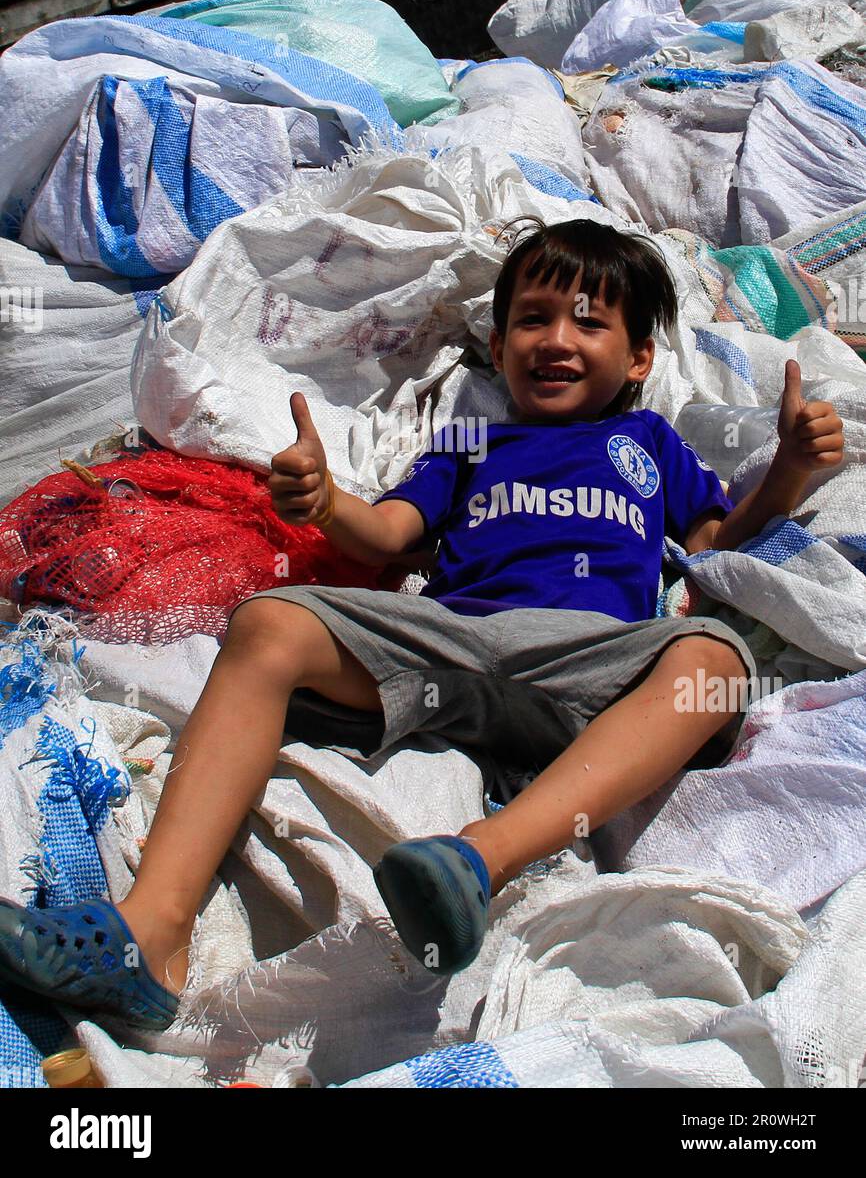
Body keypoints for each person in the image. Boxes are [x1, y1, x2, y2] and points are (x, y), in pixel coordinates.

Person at [0, 217, 844, 1028]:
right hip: (452, 647)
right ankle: (152, 935)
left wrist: (790, 474)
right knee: (269, 625)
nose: (556, 339)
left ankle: (479, 858)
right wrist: (325, 502)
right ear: (501, 343)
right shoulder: (468, 441)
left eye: (588, 323)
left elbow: (716, 543)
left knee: (717, 661)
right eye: (531, 320)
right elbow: (389, 537)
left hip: (591, 665)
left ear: (639, 359)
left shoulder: (650, 443)